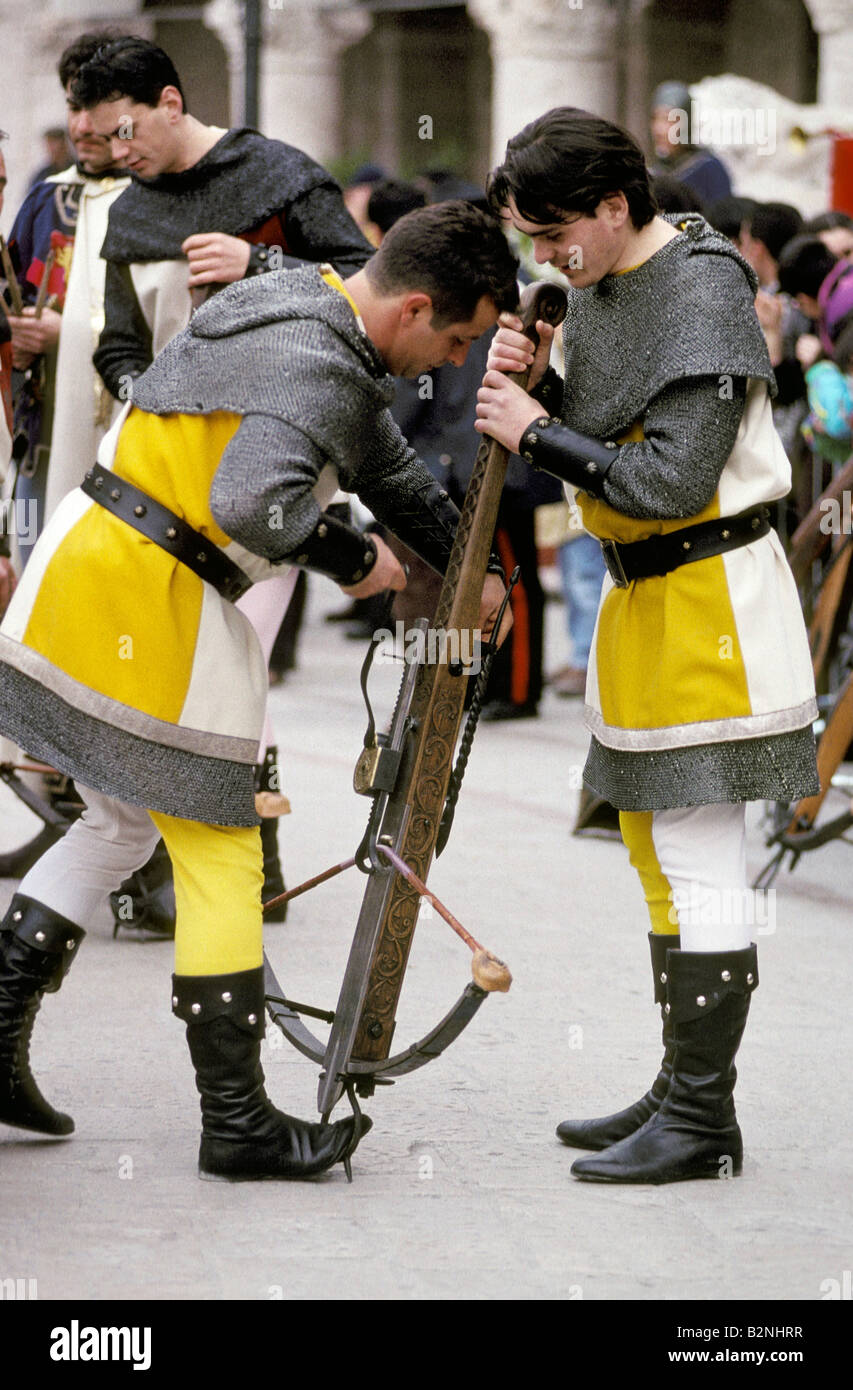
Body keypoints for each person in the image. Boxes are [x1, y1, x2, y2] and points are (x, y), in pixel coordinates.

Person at [0, 200, 517, 1182]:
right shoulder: (319, 359)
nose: (449, 362)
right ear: (412, 307)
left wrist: (473, 560)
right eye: (453, 339)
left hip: (93, 567)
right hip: (151, 599)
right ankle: (237, 1122)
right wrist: (354, 555)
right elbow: (254, 503)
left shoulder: (294, 302)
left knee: (116, 825)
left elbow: (387, 462)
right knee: (225, 853)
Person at [478, 107, 818, 1185]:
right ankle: (681, 1092)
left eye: (551, 233)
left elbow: (669, 478)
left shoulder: (702, 283)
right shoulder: (608, 283)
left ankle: (701, 1114)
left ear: (616, 207)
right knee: (657, 854)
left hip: (710, 598)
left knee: (702, 854)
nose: (543, 257)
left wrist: (534, 427)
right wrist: (542, 389)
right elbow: (609, 436)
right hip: (644, 602)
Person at [68, 35, 376, 925]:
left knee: (229, 653)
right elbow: (122, 346)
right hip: (159, 473)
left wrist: (264, 267)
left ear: (170, 100)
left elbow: (370, 286)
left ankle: (251, 865)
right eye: (99, 138)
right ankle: (175, 860)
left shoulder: (277, 174)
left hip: (270, 461)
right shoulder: (130, 211)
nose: (117, 153)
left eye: (126, 130)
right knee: (168, 662)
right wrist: (148, 394)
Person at [4, 32, 131, 567]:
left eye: (96, 108)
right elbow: (13, 305)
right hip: (42, 435)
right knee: (37, 570)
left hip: (128, 443)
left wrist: (74, 332)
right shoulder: (44, 199)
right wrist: (21, 343)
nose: (82, 127)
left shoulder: (162, 204)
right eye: (73, 106)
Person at [649, 81, 731, 206]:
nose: (659, 130)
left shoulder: (709, 170)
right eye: (656, 118)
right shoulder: (652, 173)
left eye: (670, 120)